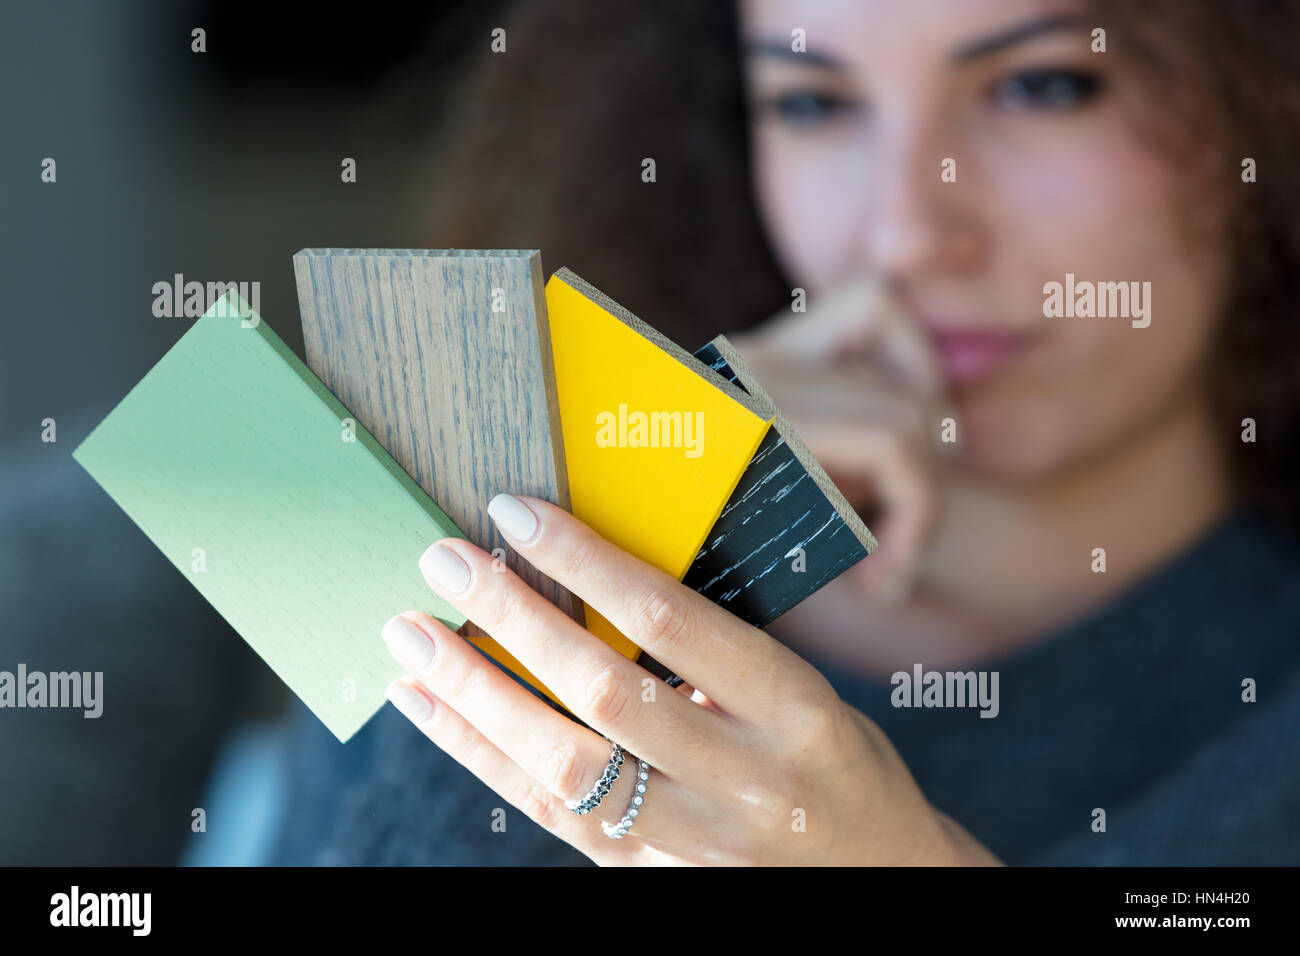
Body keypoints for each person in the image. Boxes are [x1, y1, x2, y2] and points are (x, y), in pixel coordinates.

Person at [269, 0, 1300, 865]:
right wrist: (618, 506)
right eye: (813, 104)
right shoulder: (476, 542)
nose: (907, 230)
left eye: (1042, 86)